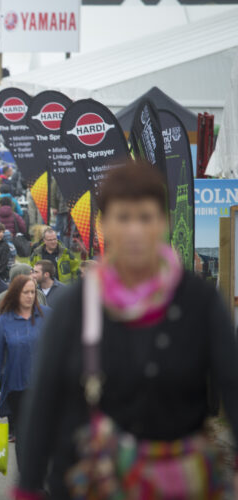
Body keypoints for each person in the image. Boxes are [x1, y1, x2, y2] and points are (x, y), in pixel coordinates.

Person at [16, 163, 238, 499]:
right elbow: (44, 398)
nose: (134, 230)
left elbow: (233, 383)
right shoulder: (75, 306)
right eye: (123, 217)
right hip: (89, 482)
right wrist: (28, 487)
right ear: (105, 224)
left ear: (162, 223)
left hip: (178, 483)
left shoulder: (198, 300)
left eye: (145, 217)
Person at [0, 275, 49, 468]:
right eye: (26, 292)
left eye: (33, 292)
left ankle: (41, 481)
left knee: (43, 437)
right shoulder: (5, 321)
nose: (30, 296)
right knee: (23, 438)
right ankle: (27, 484)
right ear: (16, 294)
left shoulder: (47, 315)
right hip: (17, 388)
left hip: (44, 387)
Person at [0, 263, 47, 330]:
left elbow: (46, 319)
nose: (34, 276)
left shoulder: (39, 294)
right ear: (20, 277)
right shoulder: (3, 298)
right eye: (30, 273)